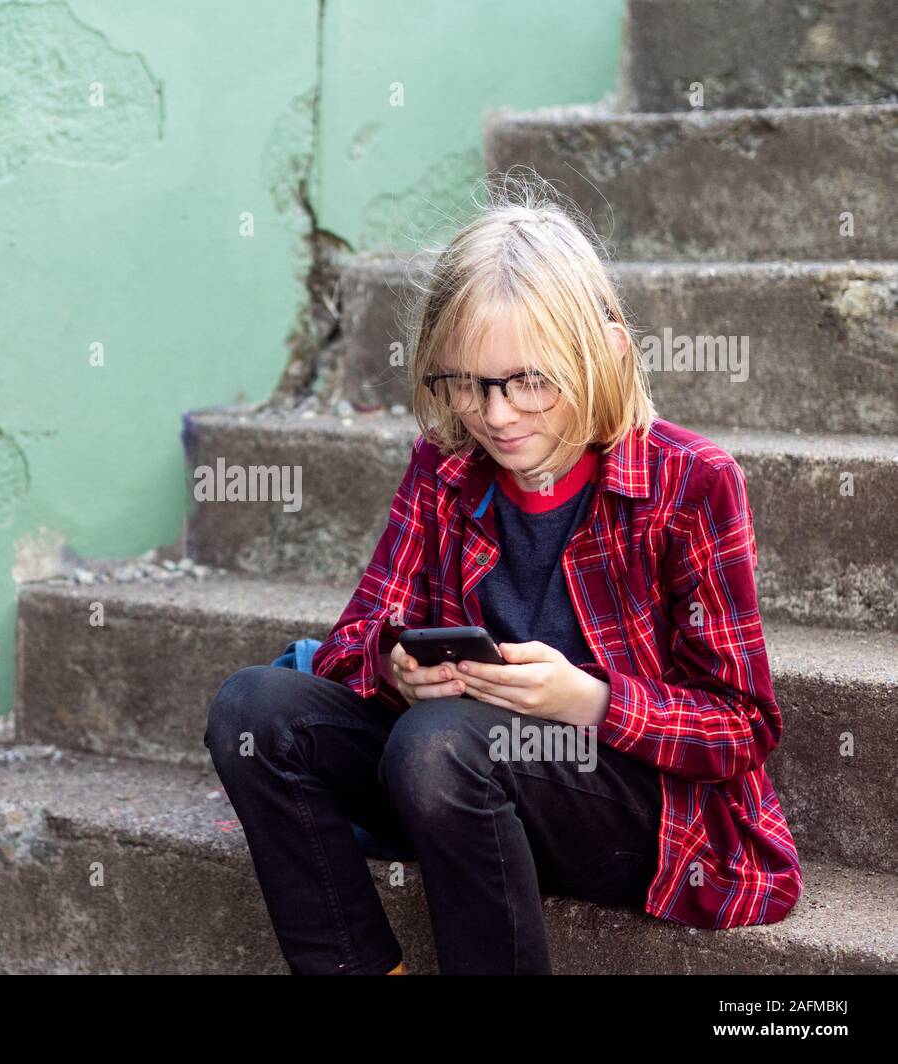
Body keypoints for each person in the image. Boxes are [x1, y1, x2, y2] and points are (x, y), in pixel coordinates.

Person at [203, 174, 802, 975]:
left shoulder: (689, 482)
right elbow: (353, 641)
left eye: (529, 380)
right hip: (447, 787)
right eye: (468, 383)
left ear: (606, 354)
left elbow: (742, 724)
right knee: (255, 708)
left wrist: (585, 699)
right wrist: (395, 669)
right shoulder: (449, 466)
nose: (497, 414)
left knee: (438, 742)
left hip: (616, 808)